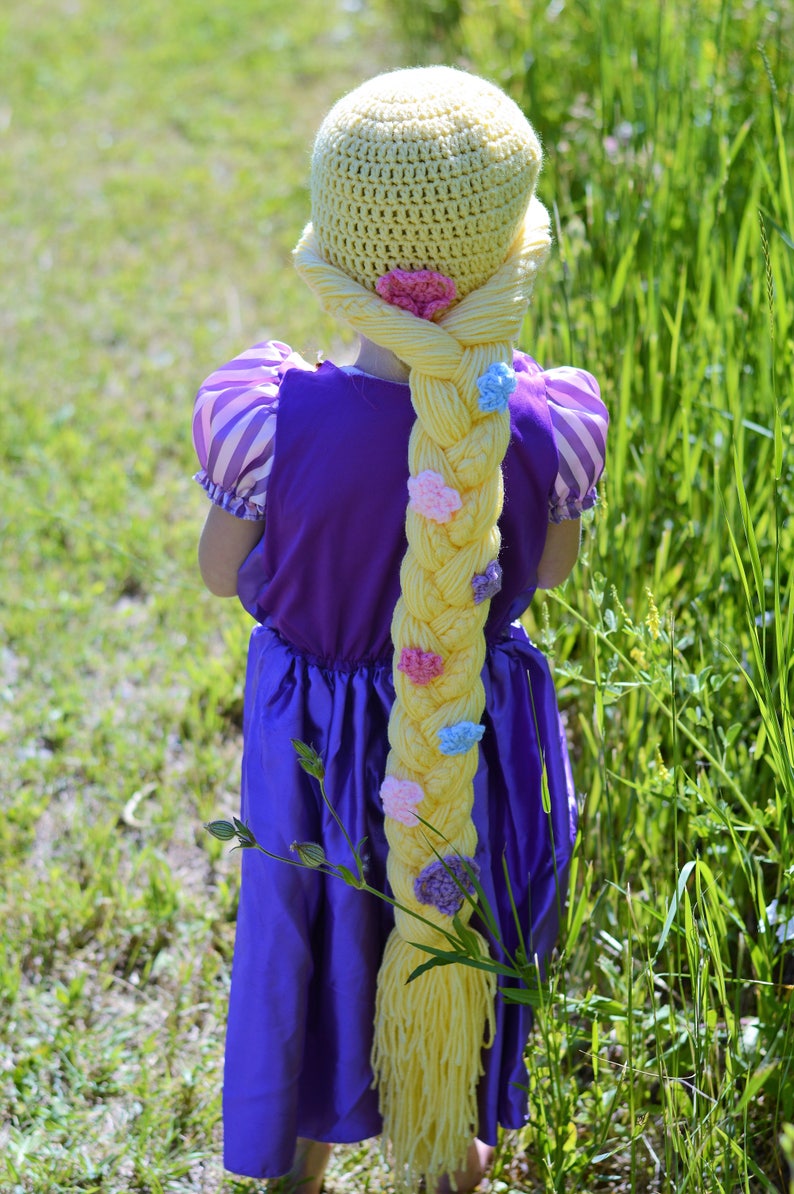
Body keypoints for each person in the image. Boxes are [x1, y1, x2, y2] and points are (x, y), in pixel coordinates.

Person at [193, 66, 608, 1194]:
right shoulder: (539, 426)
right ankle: (443, 1141)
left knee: (320, 927)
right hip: (468, 733)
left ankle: (303, 1154)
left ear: (334, 254)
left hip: (318, 738)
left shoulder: (269, 420)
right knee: (450, 918)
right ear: (502, 259)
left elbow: (220, 577)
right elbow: (547, 572)